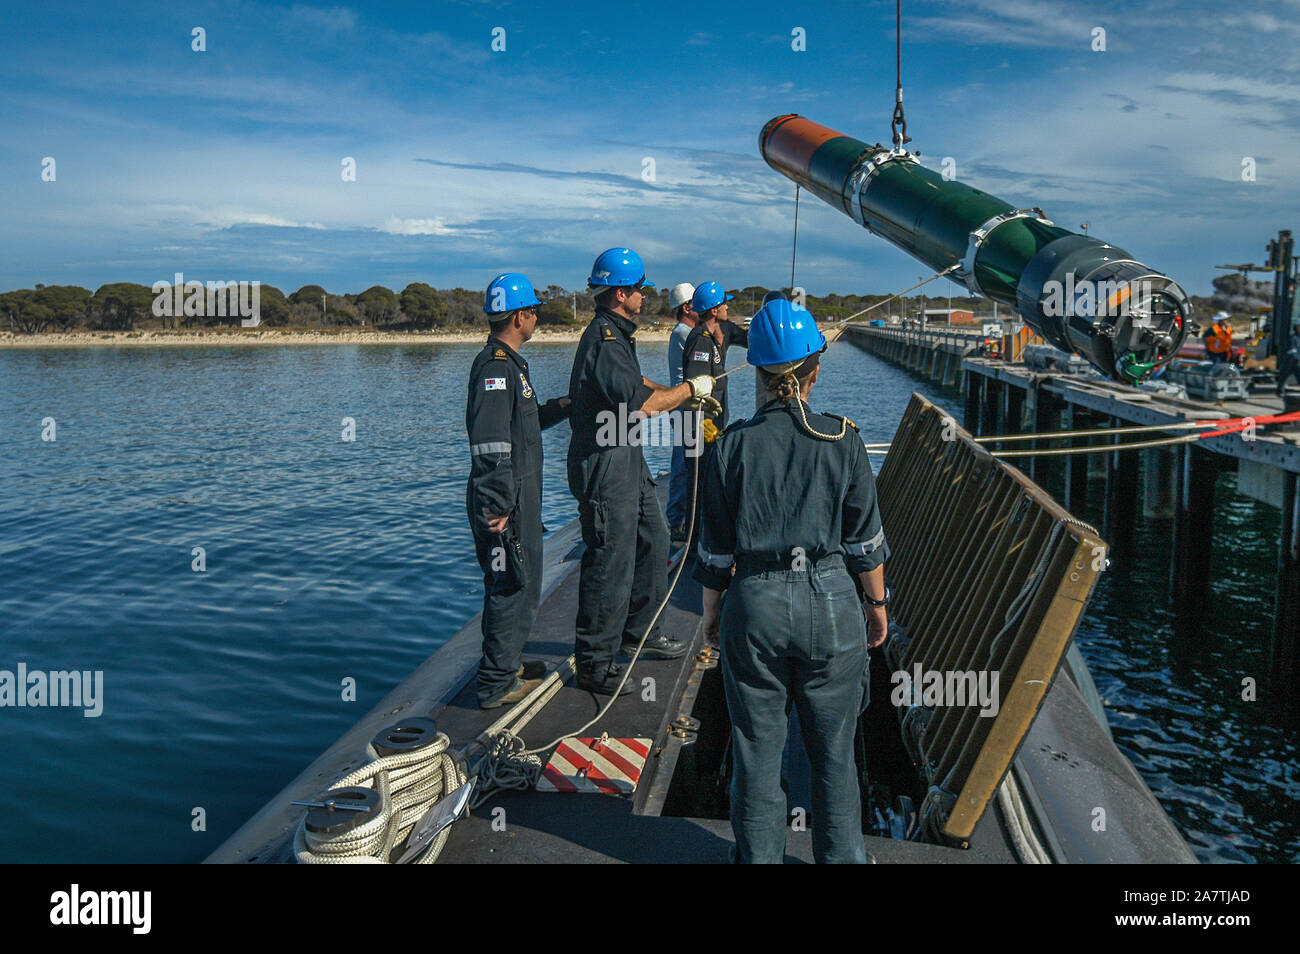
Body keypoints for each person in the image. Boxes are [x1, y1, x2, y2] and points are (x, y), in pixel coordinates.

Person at [693, 298, 890, 864]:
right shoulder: (843, 440)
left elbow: (715, 551)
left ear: (755, 371)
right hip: (832, 607)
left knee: (757, 753)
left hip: (754, 606)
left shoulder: (731, 445)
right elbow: (866, 544)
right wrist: (876, 606)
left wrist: (712, 613)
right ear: (814, 372)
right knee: (834, 753)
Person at [567, 248, 716, 694]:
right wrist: (691, 387)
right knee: (610, 562)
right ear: (620, 293)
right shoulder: (605, 340)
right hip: (604, 462)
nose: (644, 296)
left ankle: (640, 632)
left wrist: (681, 393)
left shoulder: (618, 334)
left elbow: (641, 386)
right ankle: (595, 664)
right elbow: (644, 404)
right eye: (639, 289)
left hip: (625, 457)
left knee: (653, 538)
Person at [466, 273, 571, 709]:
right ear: (521, 316)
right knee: (510, 584)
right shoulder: (495, 368)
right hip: (504, 501)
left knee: (523, 584)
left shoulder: (510, 365)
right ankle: (494, 684)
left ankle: (505, 666)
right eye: (534, 311)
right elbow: (490, 441)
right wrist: (498, 503)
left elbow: (522, 426)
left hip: (517, 497)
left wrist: (566, 406)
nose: (536, 318)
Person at [665, 283, 697, 543]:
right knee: (682, 462)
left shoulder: (685, 331)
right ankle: (677, 520)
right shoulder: (685, 333)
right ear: (687, 307)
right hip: (683, 404)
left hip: (684, 402)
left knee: (685, 459)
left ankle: (682, 517)